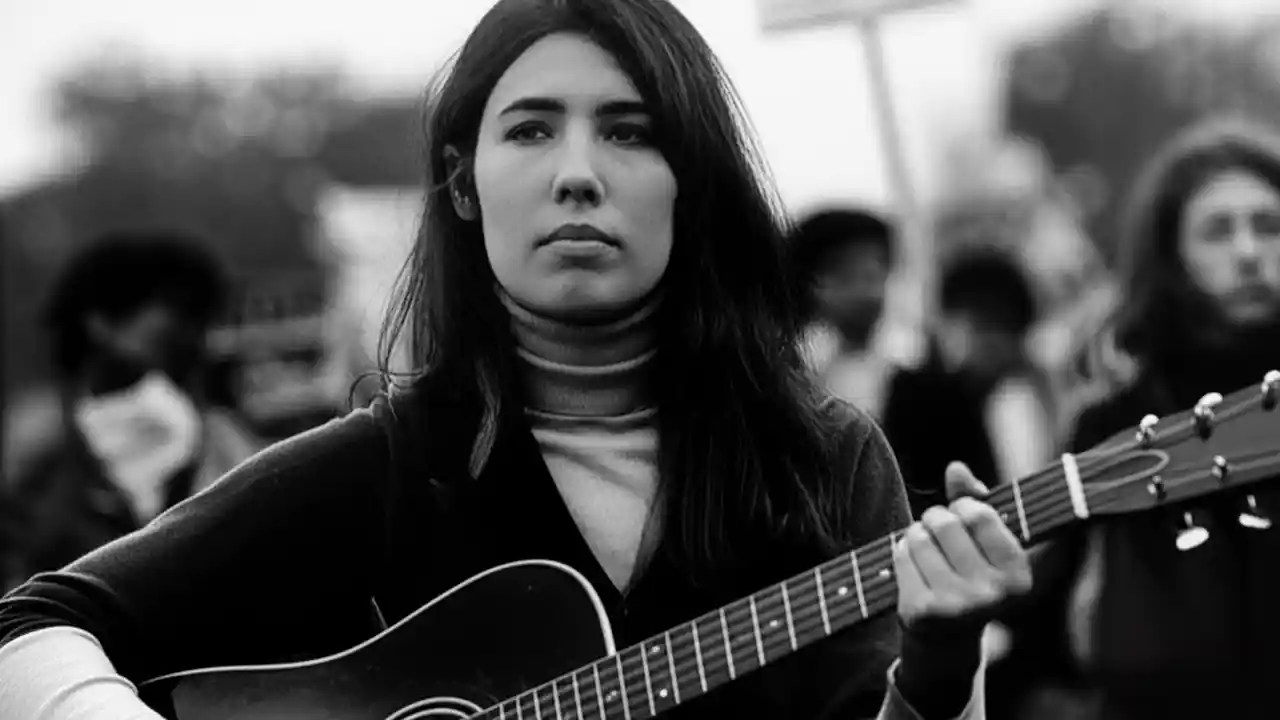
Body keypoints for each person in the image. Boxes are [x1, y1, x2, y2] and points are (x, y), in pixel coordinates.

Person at [0, 2, 1030, 718]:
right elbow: (33, 621)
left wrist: (939, 673)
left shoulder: (823, 461)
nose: (577, 174)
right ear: (462, 183)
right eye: (531, 130)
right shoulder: (386, 467)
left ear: (692, 184)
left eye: (629, 132)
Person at [987, 118, 1280, 720]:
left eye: (1269, 226)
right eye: (1218, 231)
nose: (1249, 253)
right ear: (1171, 254)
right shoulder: (1116, 415)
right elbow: (1048, 601)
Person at [0, 232, 262, 591]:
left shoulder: (221, 440)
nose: (196, 340)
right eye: (179, 318)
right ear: (101, 322)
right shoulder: (38, 446)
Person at [880, 249, 1056, 518]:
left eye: (1001, 335)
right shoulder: (914, 398)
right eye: (981, 330)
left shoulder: (1022, 394)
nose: (990, 349)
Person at [792, 208, 899, 419]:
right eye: (846, 276)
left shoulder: (909, 365)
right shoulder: (791, 369)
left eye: (873, 275)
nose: (866, 292)